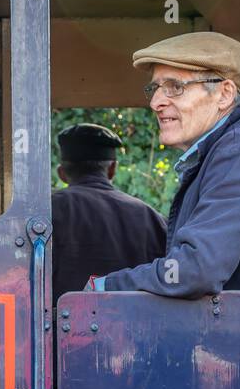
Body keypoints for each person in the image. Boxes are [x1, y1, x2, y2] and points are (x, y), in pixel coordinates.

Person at [87, 32, 240, 297]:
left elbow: (195, 270)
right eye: (154, 88)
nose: (156, 102)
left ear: (224, 94)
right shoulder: (235, 150)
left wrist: (106, 287)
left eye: (175, 87)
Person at [52, 123, 166, 303]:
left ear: (62, 173)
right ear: (112, 169)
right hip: (136, 328)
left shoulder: (45, 211)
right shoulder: (150, 217)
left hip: (59, 328)